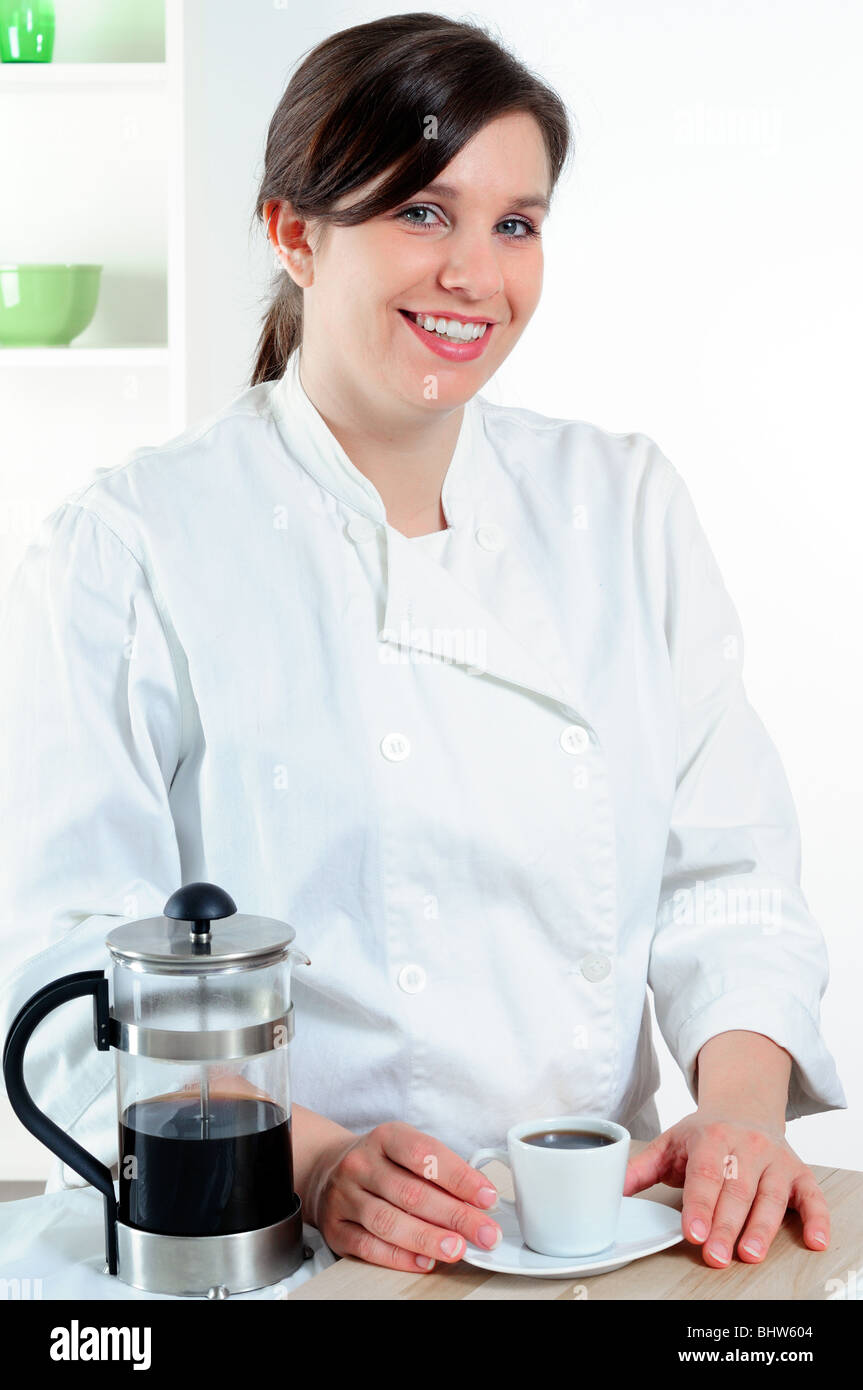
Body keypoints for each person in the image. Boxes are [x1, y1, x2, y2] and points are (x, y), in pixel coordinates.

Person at [0, 13, 846, 1283]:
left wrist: (729, 1112)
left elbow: (726, 880)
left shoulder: (619, 505)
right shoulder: (133, 546)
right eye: (420, 212)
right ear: (293, 234)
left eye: (515, 223)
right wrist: (322, 1157)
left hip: (585, 1239)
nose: (473, 274)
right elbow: (71, 961)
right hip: (265, 1248)